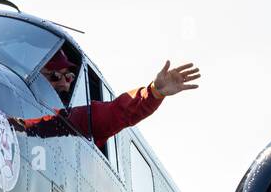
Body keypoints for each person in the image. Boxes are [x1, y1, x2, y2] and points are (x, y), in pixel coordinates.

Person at [26, 46, 200, 151]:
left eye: (70, 76)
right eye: (56, 75)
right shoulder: (27, 104)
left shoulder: (72, 118)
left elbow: (117, 113)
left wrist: (153, 92)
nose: (65, 84)